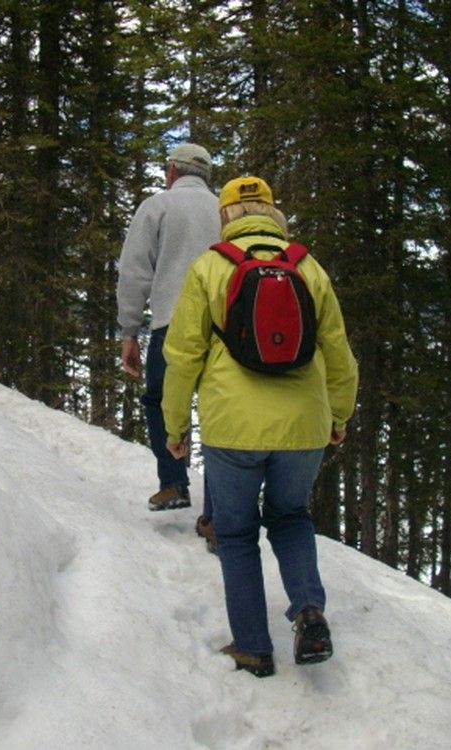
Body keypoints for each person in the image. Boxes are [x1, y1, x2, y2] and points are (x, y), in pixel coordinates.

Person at [161, 176, 358, 677]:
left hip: (233, 426)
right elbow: (339, 354)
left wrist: (175, 427)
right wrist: (338, 416)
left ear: (225, 216)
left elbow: (182, 356)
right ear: (273, 213)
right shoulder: (307, 266)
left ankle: (252, 647)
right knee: (291, 517)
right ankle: (308, 611)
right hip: (303, 424)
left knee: (236, 533)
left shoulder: (211, 266)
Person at [116, 143, 221, 517]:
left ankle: (174, 482)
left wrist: (129, 331)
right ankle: (219, 511)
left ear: (172, 171)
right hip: (221, 327)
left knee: (160, 399)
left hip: (171, 323)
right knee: (218, 410)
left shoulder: (157, 206)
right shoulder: (224, 211)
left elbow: (134, 272)